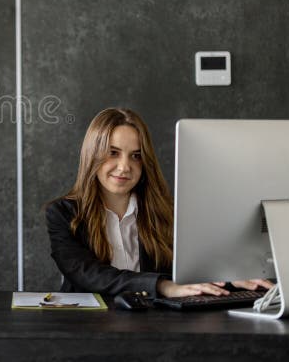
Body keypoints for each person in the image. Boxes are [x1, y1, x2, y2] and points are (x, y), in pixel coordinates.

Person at [45, 107, 272, 298]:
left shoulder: (166, 211)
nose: (124, 166)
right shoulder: (63, 213)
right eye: (113, 153)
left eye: (136, 155)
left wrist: (230, 279)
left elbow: (191, 269)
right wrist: (162, 286)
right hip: (86, 329)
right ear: (92, 155)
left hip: (153, 325)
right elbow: (89, 274)